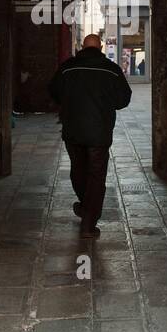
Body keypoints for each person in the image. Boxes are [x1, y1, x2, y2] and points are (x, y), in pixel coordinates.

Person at [48, 33, 132, 238]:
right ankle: (88, 221)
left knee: (78, 169)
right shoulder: (111, 70)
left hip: (73, 130)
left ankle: (85, 206)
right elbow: (123, 99)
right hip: (99, 132)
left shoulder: (67, 68)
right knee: (96, 175)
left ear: (82, 48)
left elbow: (53, 92)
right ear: (101, 47)